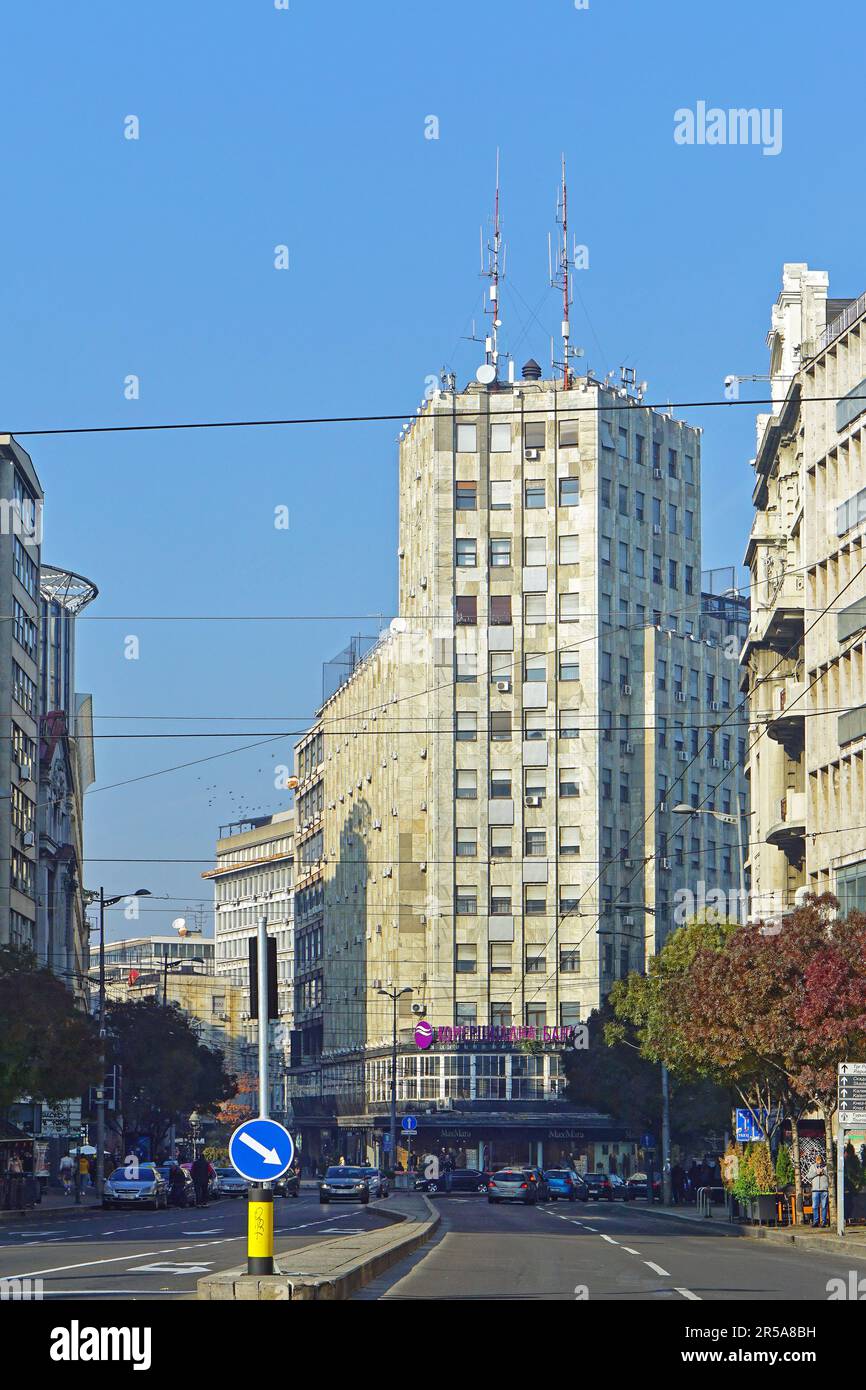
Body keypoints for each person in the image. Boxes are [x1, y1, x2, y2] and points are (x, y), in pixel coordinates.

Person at [808, 1156, 829, 1227]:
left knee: (824, 1206)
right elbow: (809, 1176)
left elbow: (831, 1175)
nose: (819, 1163)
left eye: (820, 1161)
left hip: (824, 1189)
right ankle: (816, 1221)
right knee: (815, 1206)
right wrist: (816, 1172)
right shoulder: (812, 1167)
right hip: (815, 1190)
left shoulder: (826, 1166)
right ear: (816, 1161)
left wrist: (824, 1172)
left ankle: (824, 1221)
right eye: (817, 1161)